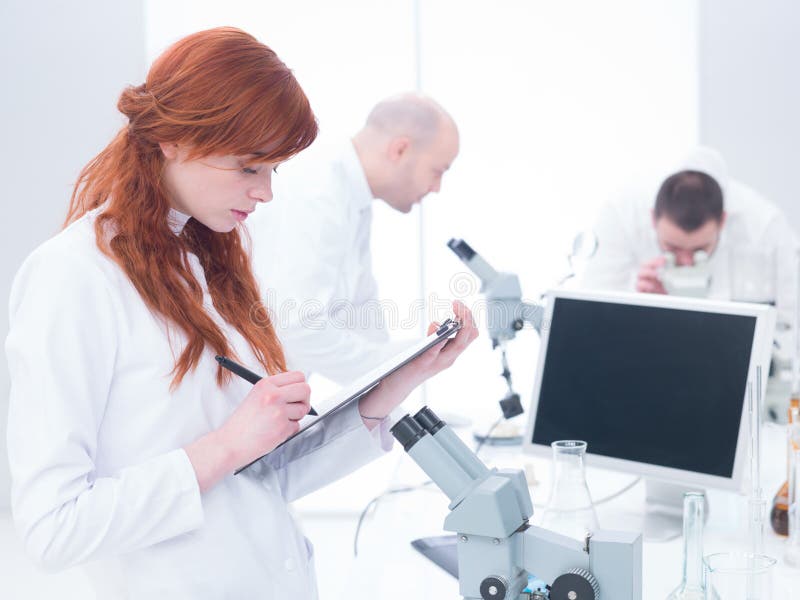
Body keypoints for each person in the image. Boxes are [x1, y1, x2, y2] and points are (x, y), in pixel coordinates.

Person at [5, 28, 477, 599]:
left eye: (274, 170)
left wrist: (404, 374)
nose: (267, 194)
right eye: (250, 167)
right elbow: (53, 527)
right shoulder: (72, 277)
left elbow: (259, 480)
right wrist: (226, 445)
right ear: (174, 141)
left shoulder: (214, 264)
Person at [248, 93, 460, 384]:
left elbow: (362, 315)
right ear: (400, 150)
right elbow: (299, 327)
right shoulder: (317, 190)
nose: (436, 188)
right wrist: (405, 366)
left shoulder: (354, 198)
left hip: (271, 397)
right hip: (240, 399)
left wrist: (403, 378)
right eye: (437, 171)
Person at [580, 147, 798, 319]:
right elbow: (593, 312)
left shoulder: (764, 228)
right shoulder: (622, 215)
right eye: (672, 248)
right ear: (652, 218)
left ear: (723, 221)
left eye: (699, 250)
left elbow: (791, 323)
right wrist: (642, 304)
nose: (685, 261)